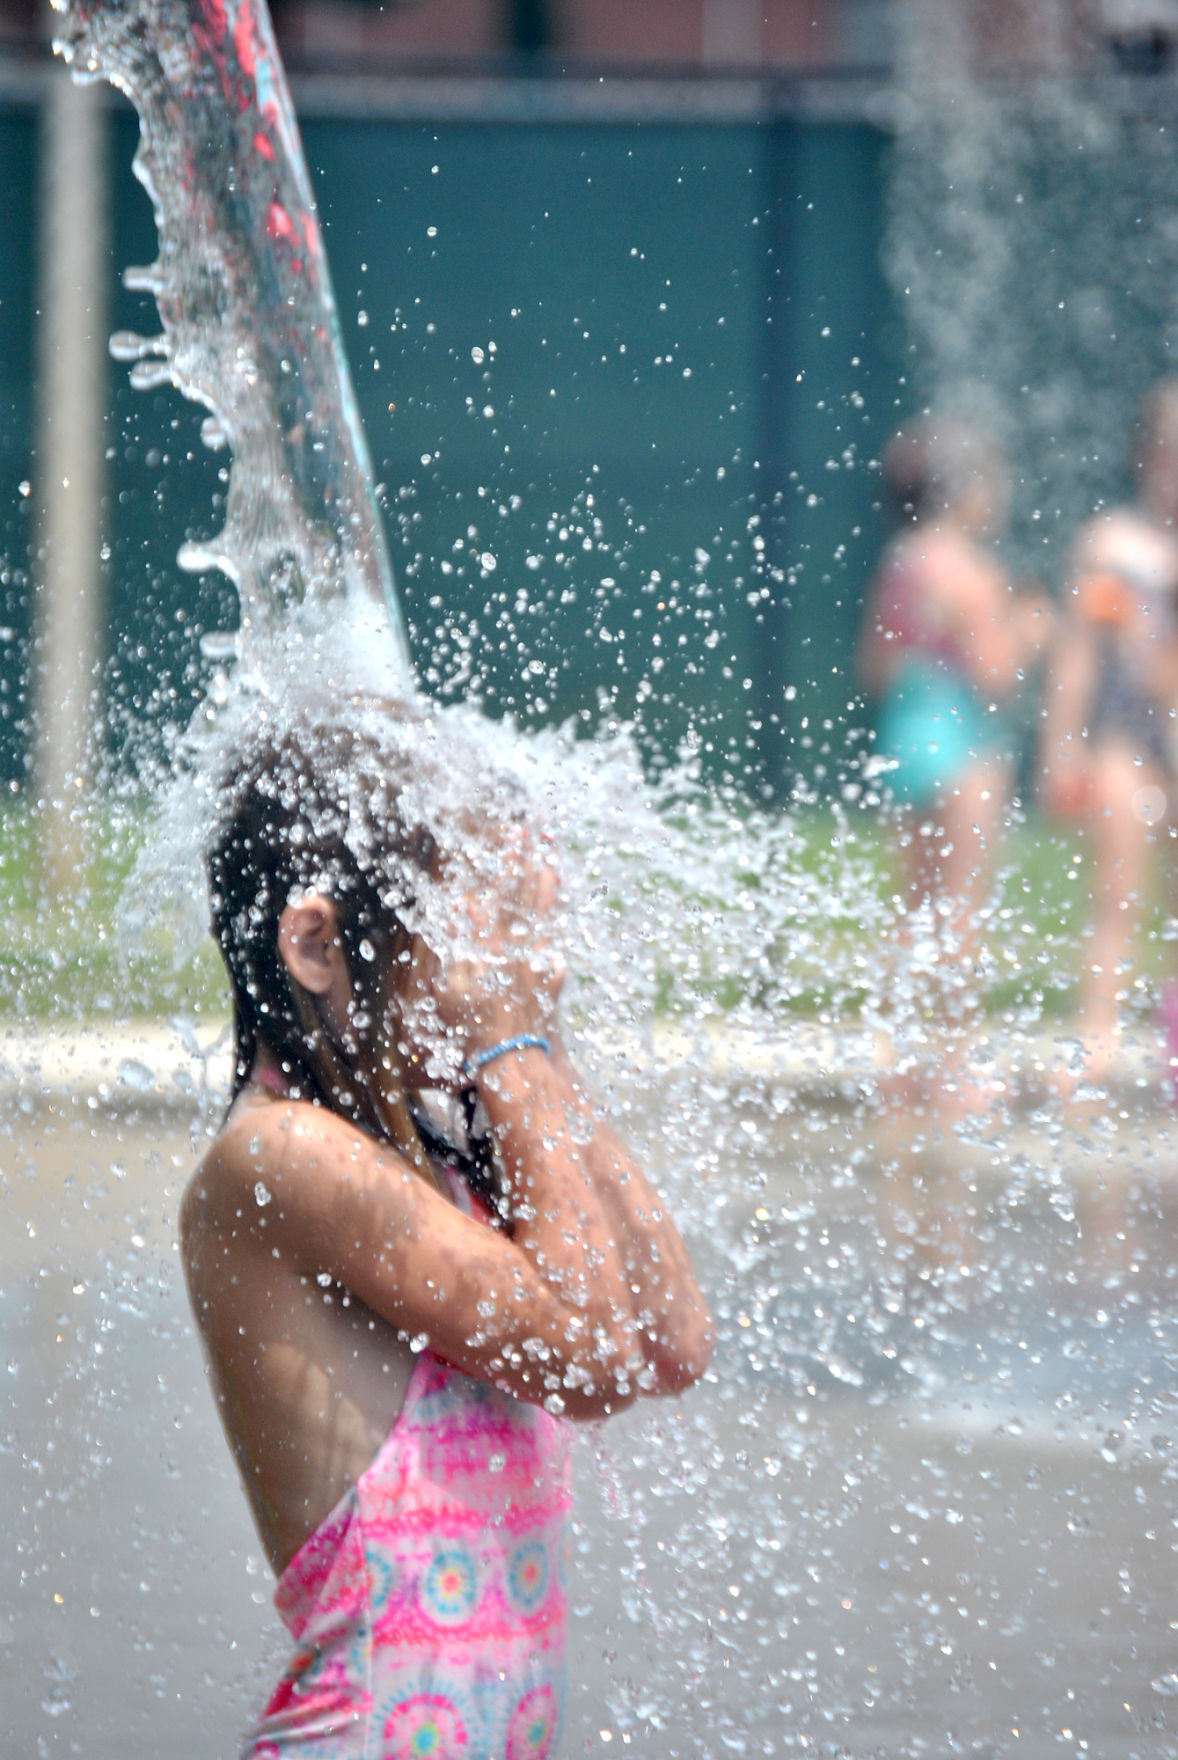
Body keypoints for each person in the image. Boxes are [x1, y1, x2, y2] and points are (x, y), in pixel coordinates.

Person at [179, 705, 713, 1760]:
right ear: (317, 945)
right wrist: (510, 1038)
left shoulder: (437, 1154)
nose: (493, 959)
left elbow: (669, 1342)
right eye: (467, 925)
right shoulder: (281, 1156)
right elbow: (588, 1362)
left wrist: (533, 1037)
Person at [859, 416, 1049, 1123]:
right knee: (960, 909)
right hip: (963, 743)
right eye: (992, 482)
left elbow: (874, 667)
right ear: (964, 489)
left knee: (913, 908)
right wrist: (1032, 629)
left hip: (907, 731)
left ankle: (897, 1061)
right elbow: (996, 675)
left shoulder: (902, 563)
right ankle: (955, 1067)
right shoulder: (972, 571)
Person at [1041, 379, 1178, 1092]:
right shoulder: (1113, 543)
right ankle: (1093, 1043)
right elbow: (1077, 654)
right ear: (1144, 456)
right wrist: (1062, 746)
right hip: (1129, 737)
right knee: (1115, 896)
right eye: (1167, 455)